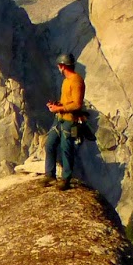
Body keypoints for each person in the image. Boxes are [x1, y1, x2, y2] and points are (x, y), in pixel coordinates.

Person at [44, 53, 85, 189]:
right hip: (60, 118)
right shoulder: (66, 81)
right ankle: (50, 175)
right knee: (50, 144)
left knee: (66, 148)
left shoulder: (76, 81)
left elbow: (77, 104)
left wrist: (59, 108)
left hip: (69, 121)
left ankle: (65, 179)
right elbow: (67, 101)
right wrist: (56, 105)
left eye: (59, 66)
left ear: (63, 66)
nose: (58, 68)